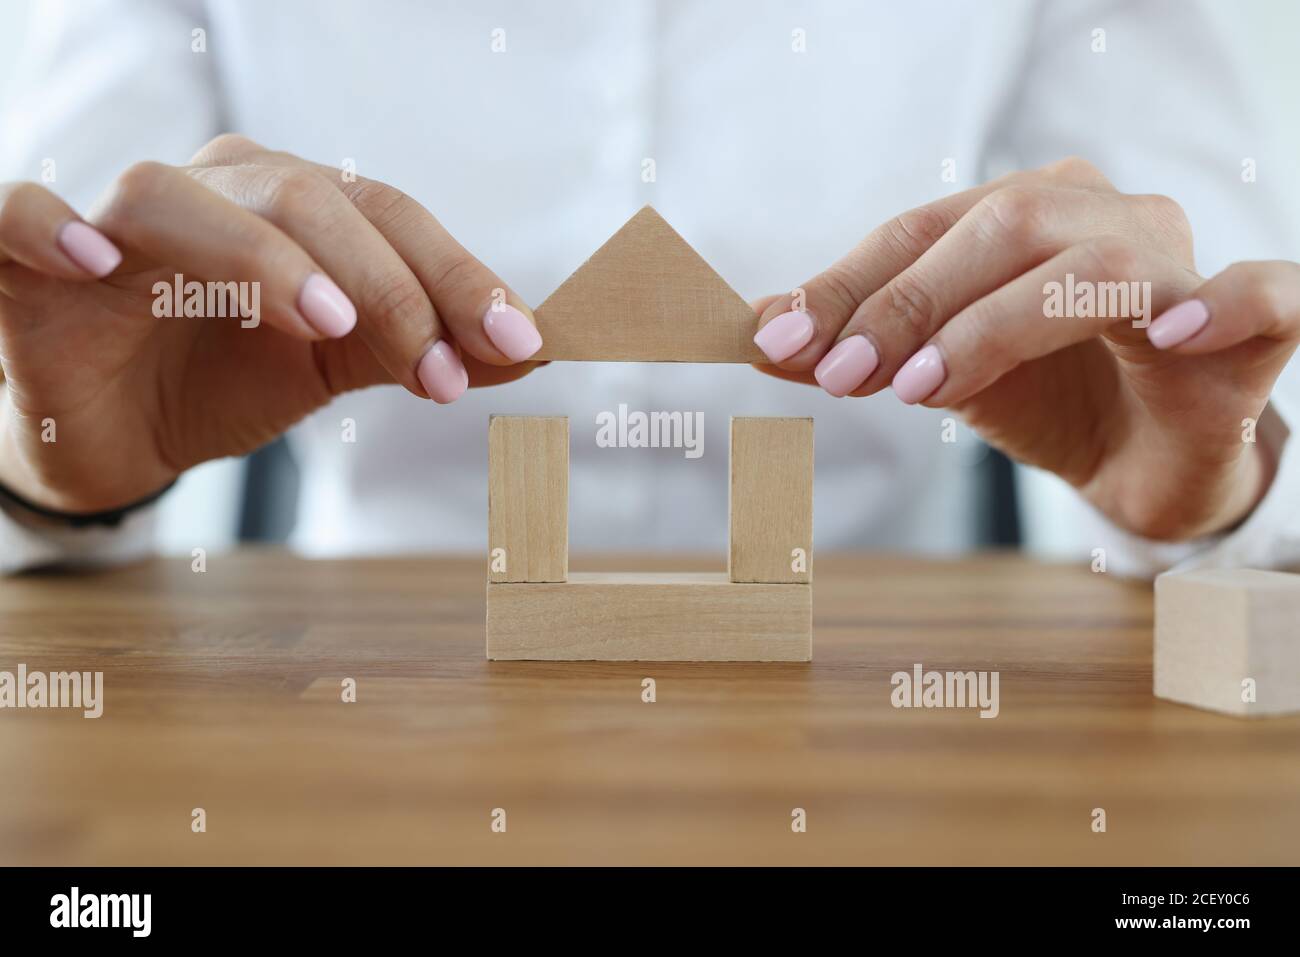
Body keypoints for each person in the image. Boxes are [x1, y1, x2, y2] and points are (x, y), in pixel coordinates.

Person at [1, 0, 1297, 576]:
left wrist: (1215, 494)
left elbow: (1230, 305)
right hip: (372, 688)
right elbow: (67, 265)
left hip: (880, 698)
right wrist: (45, 459)